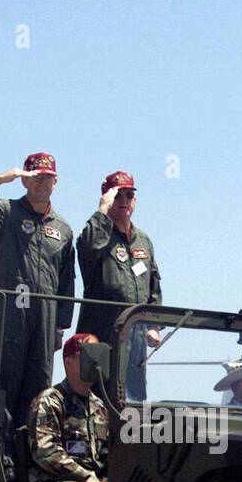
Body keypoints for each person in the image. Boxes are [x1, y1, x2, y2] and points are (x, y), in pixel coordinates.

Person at [0, 153, 76, 444]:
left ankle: (31, 458)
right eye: (35, 177)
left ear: (56, 182)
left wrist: (60, 326)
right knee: (4, 388)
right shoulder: (4, 212)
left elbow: (67, 280)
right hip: (10, 313)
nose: (42, 183)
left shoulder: (63, 229)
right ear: (24, 180)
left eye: (48, 177)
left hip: (44, 319)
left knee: (39, 390)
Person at [76, 170, 163, 399]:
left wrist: (154, 325)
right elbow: (89, 247)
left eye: (128, 195)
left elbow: (153, 286)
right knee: (99, 399)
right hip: (101, 335)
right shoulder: (96, 233)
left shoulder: (143, 241)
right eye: (117, 196)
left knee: (133, 402)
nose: (123, 201)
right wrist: (101, 212)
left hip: (135, 338)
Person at [26, 332, 109, 482]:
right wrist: (85, 477)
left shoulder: (100, 407)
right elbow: (46, 451)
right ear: (69, 363)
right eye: (88, 356)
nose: (94, 362)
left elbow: (107, 453)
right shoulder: (50, 401)